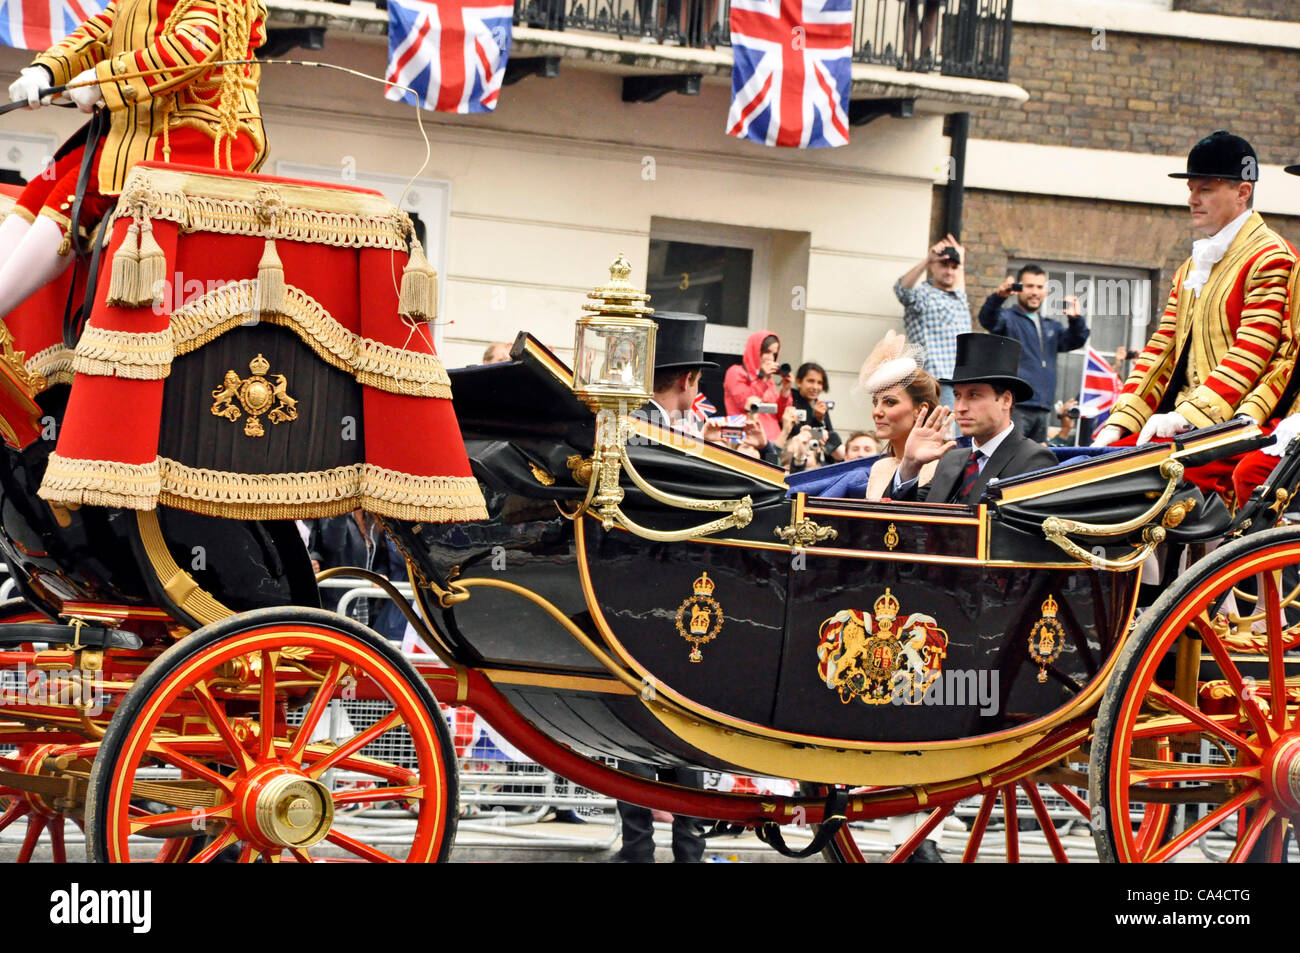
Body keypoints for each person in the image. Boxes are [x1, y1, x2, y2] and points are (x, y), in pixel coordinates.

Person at [0, 0, 267, 319]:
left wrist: (103, 79)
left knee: (70, 199)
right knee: (41, 190)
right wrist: (48, 69)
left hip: (191, 137)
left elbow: (191, 47)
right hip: (134, 127)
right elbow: (106, 28)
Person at [1092, 131, 1296, 500]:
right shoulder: (1190, 268)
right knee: (1095, 467)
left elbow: (1254, 351)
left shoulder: (1271, 257)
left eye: (1205, 189)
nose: (1192, 199)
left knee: (1133, 484)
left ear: (1242, 192)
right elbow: (1160, 351)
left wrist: (1188, 415)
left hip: (1233, 420)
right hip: (1182, 420)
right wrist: (1121, 420)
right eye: (1191, 188)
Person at [892, 333, 1057, 504]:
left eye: (974, 395)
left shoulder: (1033, 460)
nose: (961, 407)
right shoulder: (951, 460)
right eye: (957, 395)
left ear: (1006, 400)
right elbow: (911, 515)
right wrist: (910, 464)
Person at [977, 264, 1089, 443]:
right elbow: (987, 319)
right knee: (1012, 460)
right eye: (1029, 286)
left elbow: (1076, 339)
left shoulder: (1050, 326)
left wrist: (1075, 319)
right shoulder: (1007, 319)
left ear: (1045, 292)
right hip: (1016, 406)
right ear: (1019, 289)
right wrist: (998, 297)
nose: (1035, 292)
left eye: (1039, 287)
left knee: (1036, 465)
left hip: (1043, 409)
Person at [858, 331, 943, 501]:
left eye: (890, 402)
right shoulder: (880, 468)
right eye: (876, 402)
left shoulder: (941, 467)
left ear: (920, 410)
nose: (877, 412)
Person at [894, 234, 970, 409]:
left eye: (954, 267)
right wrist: (928, 259)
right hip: (936, 381)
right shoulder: (923, 295)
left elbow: (958, 280)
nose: (949, 271)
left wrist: (961, 260)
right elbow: (901, 289)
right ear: (933, 267)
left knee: (957, 435)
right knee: (943, 433)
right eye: (944, 265)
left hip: (960, 382)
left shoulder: (957, 296)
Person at [724, 329, 792, 443]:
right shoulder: (735, 372)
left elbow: (780, 416)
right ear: (755, 351)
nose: (770, 358)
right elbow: (746, 403)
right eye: (767, 352)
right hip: (746, 439)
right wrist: (763, 379)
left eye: (774, 354)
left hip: (774, 439)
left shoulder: (768, 380)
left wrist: (786, 390)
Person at [790, 361, 844, 462]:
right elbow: (795, 432)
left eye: (819, 383)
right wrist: (817, 419)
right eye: (810, 381)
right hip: (795, 458)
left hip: (816, 461)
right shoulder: (790, 401)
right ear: (799, 382)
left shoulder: (820, 405)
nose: (815, 387)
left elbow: (830, 439)